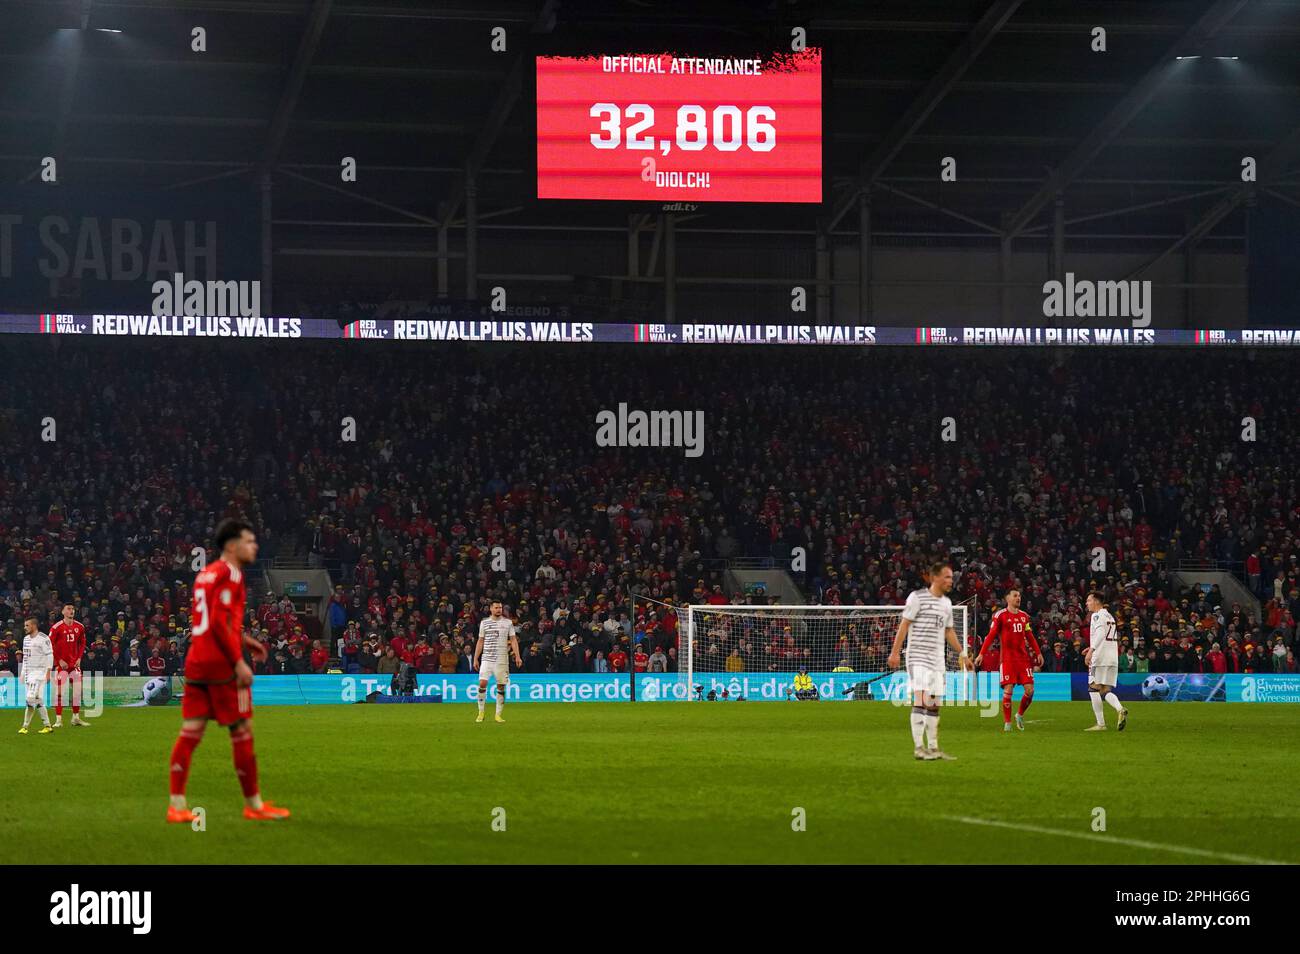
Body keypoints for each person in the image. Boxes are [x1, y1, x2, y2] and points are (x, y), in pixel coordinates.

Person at [166, 519, 290, 823]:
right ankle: (254, 805)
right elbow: (221, 623)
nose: (255, 546)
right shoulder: (231, 574)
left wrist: (247, 639)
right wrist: (238, 661)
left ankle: (177, 805)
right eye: (249, 541)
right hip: (221, 665)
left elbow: (210, 622)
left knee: (190, 732)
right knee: (242, 732)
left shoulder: (205, 574)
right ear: (232, 546)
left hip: (197, 661)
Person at [887, 561, 969, 761]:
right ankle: (918, 748)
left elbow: (949, 631)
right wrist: (895, 652)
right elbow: (904, 625)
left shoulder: (946, 603)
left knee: (934, 704)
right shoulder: (917, 598)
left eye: (951, 577)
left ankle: (932, 748)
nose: (951, 580)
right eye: (947, 577)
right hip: (917, 657)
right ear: (935, 578)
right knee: (921, 700)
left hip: (937, 660)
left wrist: (963, 653)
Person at [975, 588, 1042, 733]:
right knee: (1008, 689)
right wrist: (981, 654)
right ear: (1008, 599)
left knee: (1030, 691)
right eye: (1015, 595)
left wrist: (1038, 652)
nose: (1018, 598)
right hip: (1007, 659)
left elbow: (1029, 636)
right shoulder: (1000, 616)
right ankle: (1007, 723)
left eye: (1019, 595)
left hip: (1023, 659)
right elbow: (991, 635)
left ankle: (1019, 715)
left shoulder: (1024, 616)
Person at [1084, 590, 1128, 732]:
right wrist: (1091, 647)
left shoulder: (1096, 616)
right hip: (1112, 657)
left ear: (1096, 601)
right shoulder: (1109, 616)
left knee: (1093, 688)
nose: (1087, 603)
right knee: (1105, 690)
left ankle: (1101, 724)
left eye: (1089, 600)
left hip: (1100, 658)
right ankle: (1120, 709)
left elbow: (1101, 633)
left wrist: (1092, 651)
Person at [474, 599, 522, 724]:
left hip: (502, 658)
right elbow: (480, 641)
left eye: (500, 607)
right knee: (482, 683)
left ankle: (498, 715)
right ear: (491, 609)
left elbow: (513, 640)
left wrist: (517, 656)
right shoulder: (484, 623)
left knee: (501, 686)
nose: (498, 610)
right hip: (487, 658)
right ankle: (481, 712)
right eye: (496, 607)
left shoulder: (508, 623)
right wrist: (475, 658)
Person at [49, 603, 90, 728]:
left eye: (72, 609)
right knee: (59, 693)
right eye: (68, 609)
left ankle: (75, 718)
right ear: (62, 612)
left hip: (74, 664)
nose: (71, 611)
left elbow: (83, 642)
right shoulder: (56, 628)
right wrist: (59, 660)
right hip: (62, 665)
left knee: (77, 692)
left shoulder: (80, 626)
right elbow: (49, 645)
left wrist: (79, 658)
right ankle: (58, 720)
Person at [17, 617, 54, 734]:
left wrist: (48, 672)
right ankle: (46, 726)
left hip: (39, 673)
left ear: (34, 626)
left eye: (27, 625)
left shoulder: (44, 638)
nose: (25, 628)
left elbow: (50, 656)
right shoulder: (25, 639)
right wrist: (22, 673)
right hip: (29, 673)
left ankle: (25, 726)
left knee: (30, 698)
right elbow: (26, 657)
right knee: (37, 700)